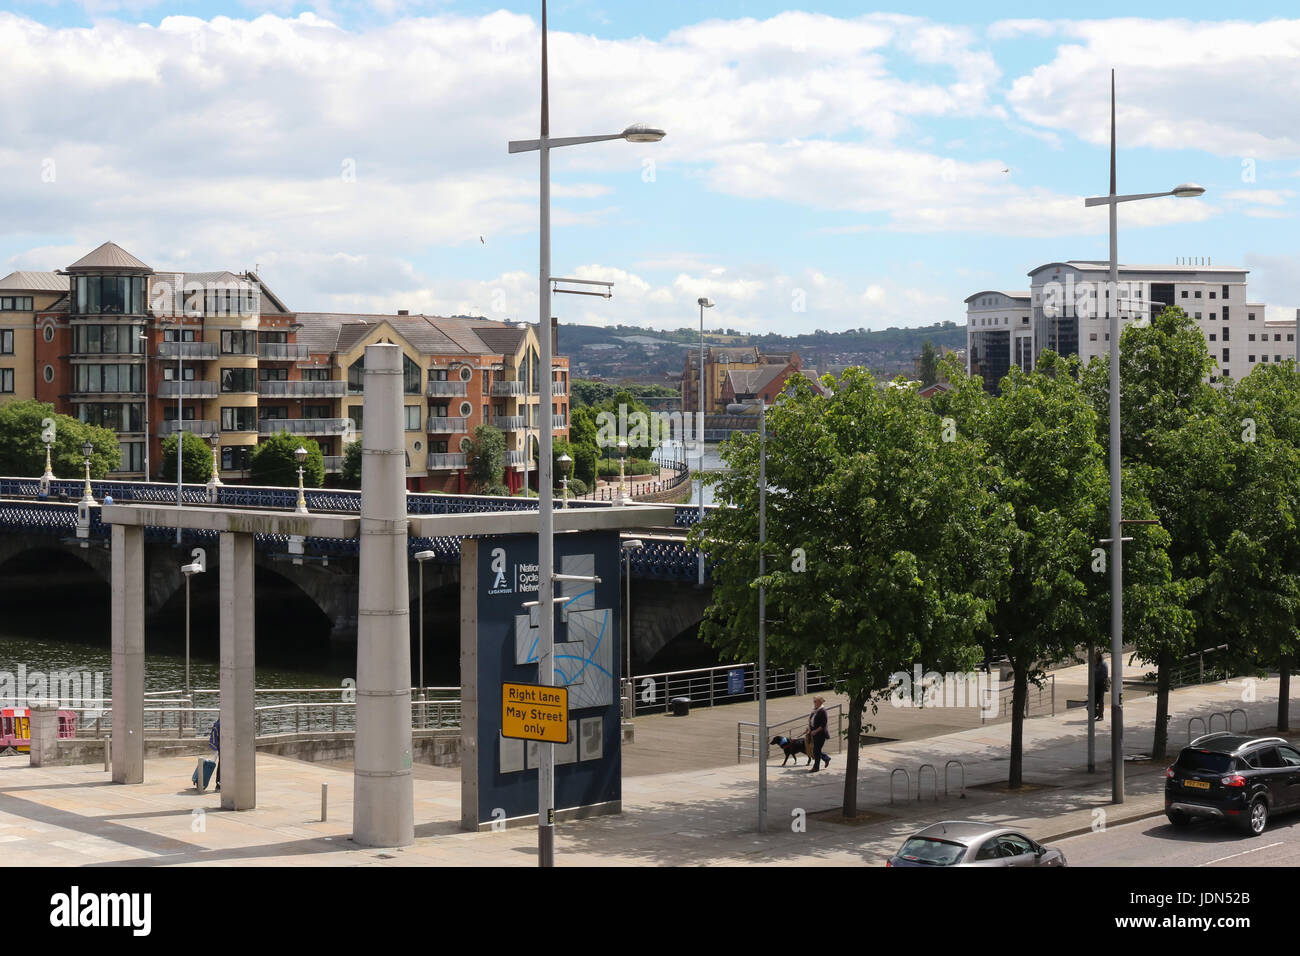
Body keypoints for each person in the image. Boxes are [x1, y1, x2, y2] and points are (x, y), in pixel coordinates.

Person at [807, 695, 831, 773]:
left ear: (820, 702)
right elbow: (812, 721)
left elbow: (823, 725)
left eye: (815, 701)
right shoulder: (815, 710)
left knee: (816, 750)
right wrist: (809, 729)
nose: (814, 703)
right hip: (814, 733)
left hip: (820, 734)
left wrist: (815, 731)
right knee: (816, 750)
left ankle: (816, 767)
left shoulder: (823, 711)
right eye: (813, 701)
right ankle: (826, 758)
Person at [1093, 650, 1109, 721]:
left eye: (1096, 656)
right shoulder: (1095, 664)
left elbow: (1105, 675)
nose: (1094, 657)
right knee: (1093, 701)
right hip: (1095, 684)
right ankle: (1095, 713)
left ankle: (1100, 715)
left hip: (1101, 685)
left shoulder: (1103, 664)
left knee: (1100, 701)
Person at [209, 718, 221, 792]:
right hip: (225, 746)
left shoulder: (219, 722)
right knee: (223, 764)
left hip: (221, 747)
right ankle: (219, 783)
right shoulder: (222, 723)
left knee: (221, 764)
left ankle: (219, 784)